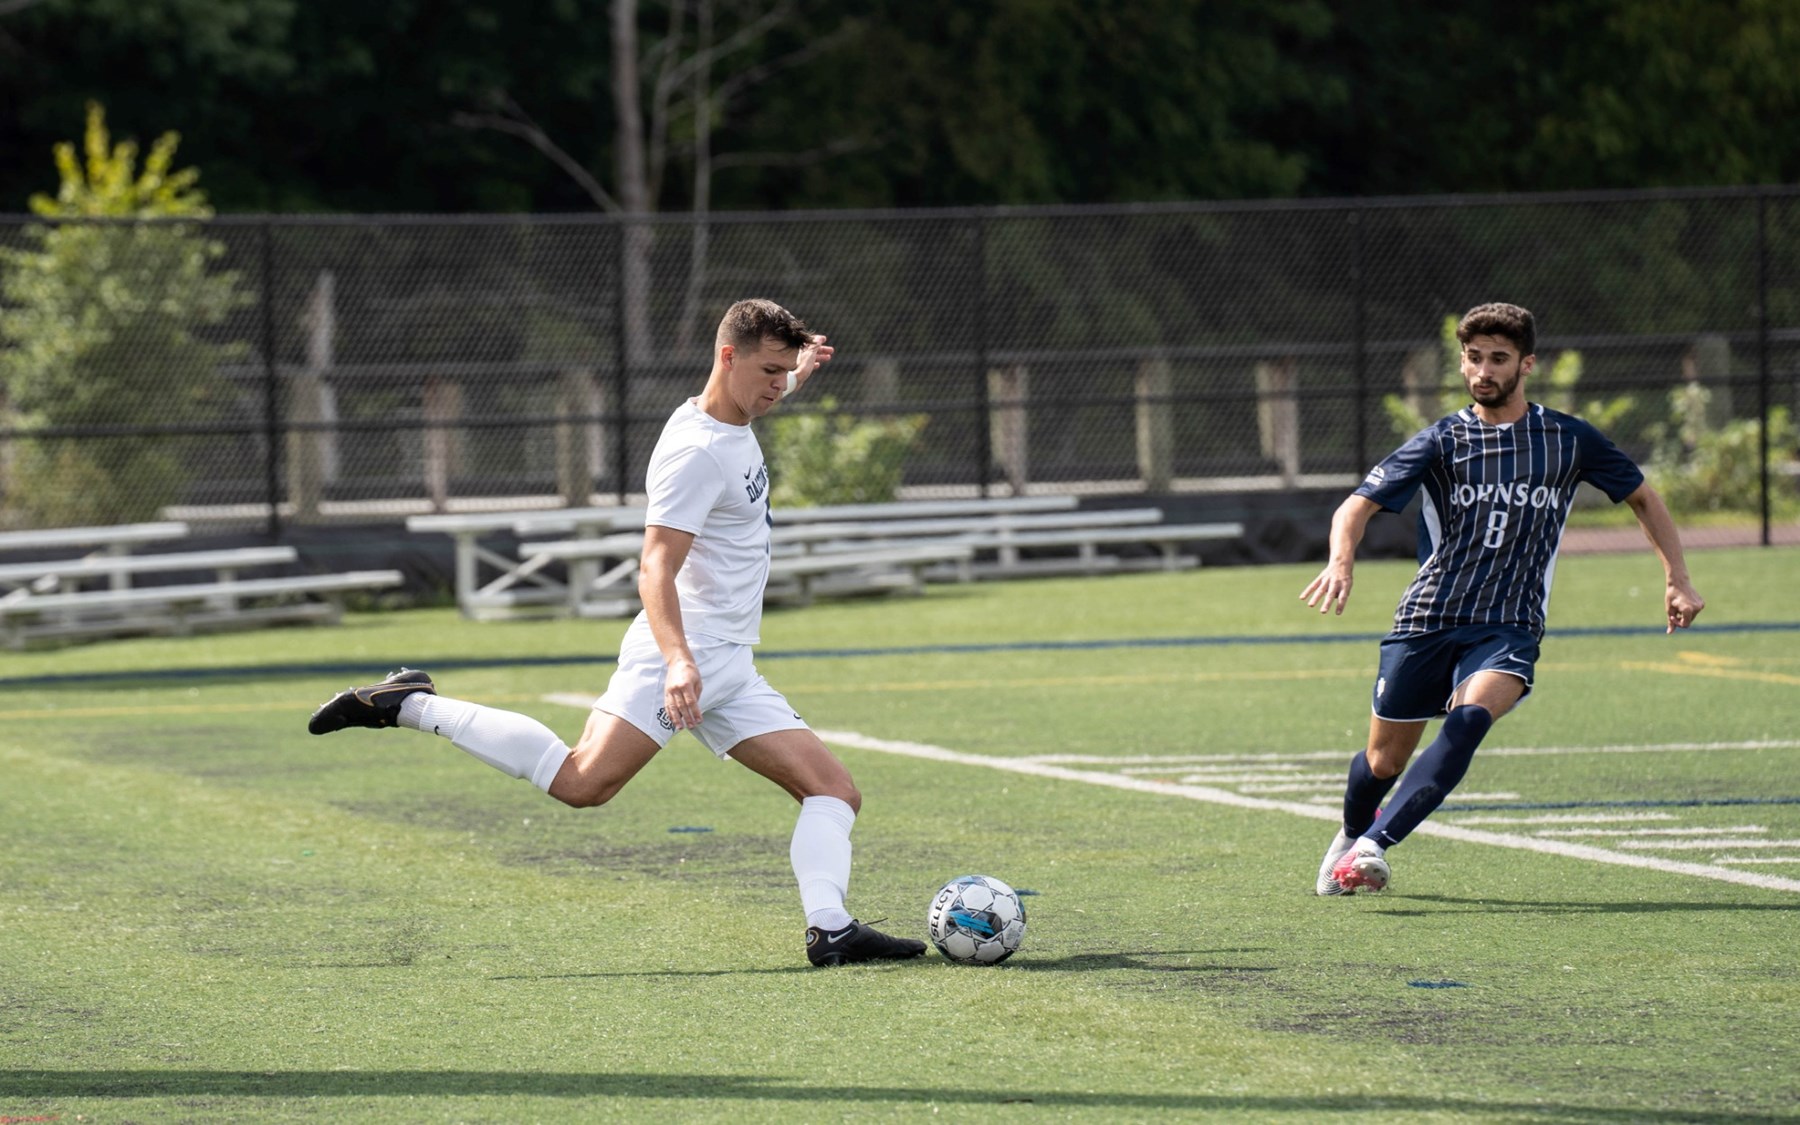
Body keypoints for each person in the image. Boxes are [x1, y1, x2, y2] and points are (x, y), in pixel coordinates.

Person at [308, 298, 926, 967]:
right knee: (582, 782)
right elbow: (654, 568)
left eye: (785, 373)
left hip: (729, 663)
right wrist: (679, 661)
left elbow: (761, 389)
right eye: (770, 371)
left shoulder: (733, 411)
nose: (779, 386)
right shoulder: (695, 453)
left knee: (834, 791)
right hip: (682, 656)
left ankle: (829, 928)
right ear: (728, 356)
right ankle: (409, 703)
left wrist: (800, 368)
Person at [1301, 301, 1705, 895]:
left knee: (1468, 721)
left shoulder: (1568, 439)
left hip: (1510, 624)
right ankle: (1353, 828)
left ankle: (1372, 846)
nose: (1483, 371)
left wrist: (1678, 576)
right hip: (1429, 617)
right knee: (1383, 763)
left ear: (1527, 364)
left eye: (1497, 359)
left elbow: (1643, 497)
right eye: (1473, 359)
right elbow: (1355, 506)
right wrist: (1341, 559)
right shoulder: (1441, 440)